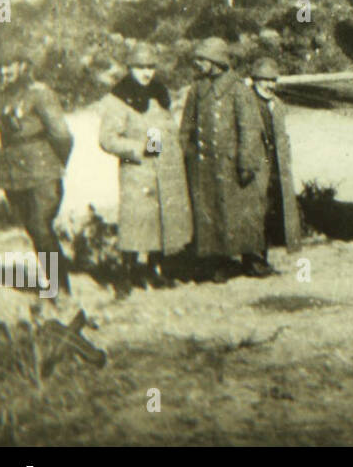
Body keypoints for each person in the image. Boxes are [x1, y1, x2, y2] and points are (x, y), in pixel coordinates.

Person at [98, 43, 193, 287]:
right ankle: (128, 274)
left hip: (163, 169)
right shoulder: (119, 98)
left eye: (150, 67)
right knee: (135, 222)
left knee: (159, 221)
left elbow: (160, 128)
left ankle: (153, 270)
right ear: (130, 68)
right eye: (140, 67)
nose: (146, 73)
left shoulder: (159, 93)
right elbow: (107, 139)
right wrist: (139, 149)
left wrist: (166, 149)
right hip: (137, 171)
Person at [178, 37, 267, 281]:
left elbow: (249, 129)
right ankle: (218, 262)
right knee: (211, 214)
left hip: (231, 166)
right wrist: (183, 157)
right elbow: (187, 126)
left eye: (202, 59)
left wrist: (246, 162)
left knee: (241, 213)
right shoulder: (197, 90)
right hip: (204, 167)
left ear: (216, 61)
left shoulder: (238, 89)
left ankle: (252, 259)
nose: (197, 64)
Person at [0, 49, 74, 298]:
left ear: (24, 66)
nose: (4, 71)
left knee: (41, 226)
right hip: (16, 175)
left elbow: (62, 136)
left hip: (41, 172)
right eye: (1, 65)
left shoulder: (40, 93)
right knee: (33, 228)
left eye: (10, 64)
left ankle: (60, 288)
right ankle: (54, 283)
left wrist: (53, 165)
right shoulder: (6, 95)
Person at [245, 57, 302, 275]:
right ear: (254, 81)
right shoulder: (247, 103)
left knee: (269, 211)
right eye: (264, 80)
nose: (269, 85)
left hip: (275, 165)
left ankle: (262, 258)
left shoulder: (277, 105)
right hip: (255, 165)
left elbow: (282, 135)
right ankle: (253, 260)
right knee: (254, 212)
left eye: (273, 81)